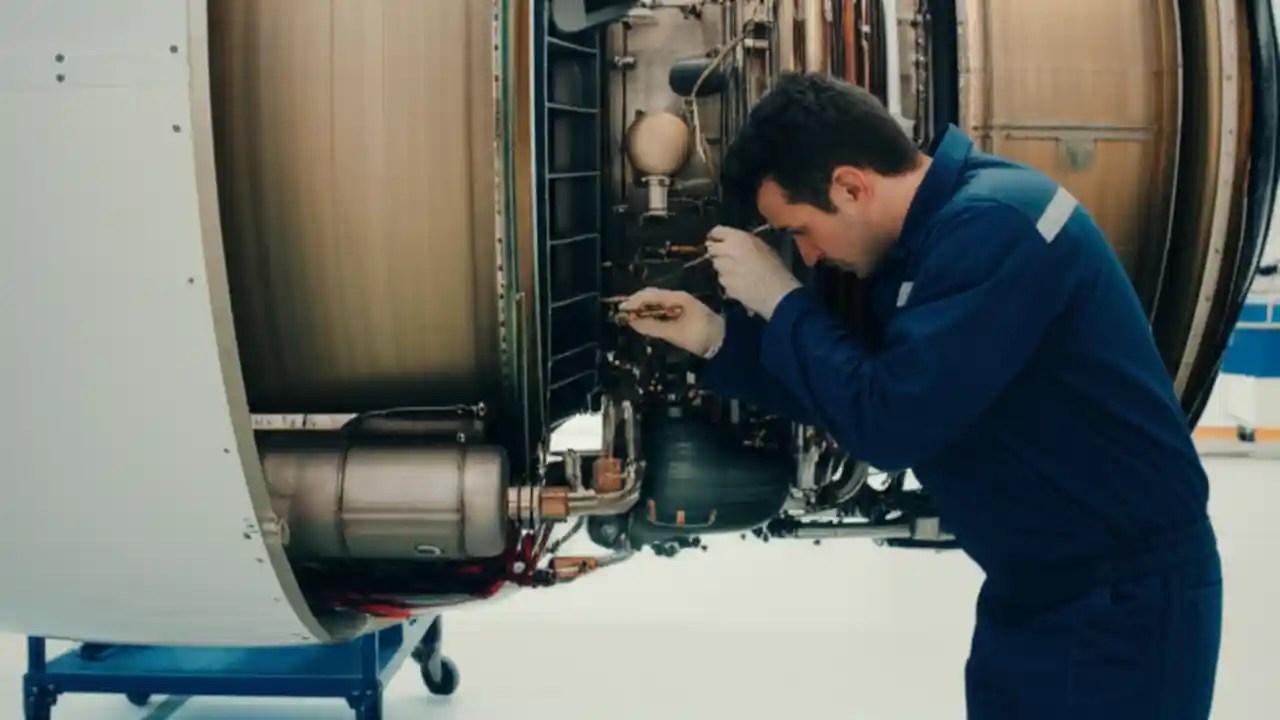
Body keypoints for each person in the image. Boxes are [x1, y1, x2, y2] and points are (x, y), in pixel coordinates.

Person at [620, 73, 1223, 719]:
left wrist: (781, 299)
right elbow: (857, 388)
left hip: (1116, 606)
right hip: (1041, 591)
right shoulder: (931, 241)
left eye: (798, 230)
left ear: (851, 185)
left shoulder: (994, 228)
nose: (810, 254)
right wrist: (714, 339)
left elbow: (890, 424)